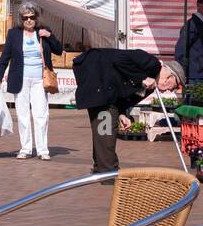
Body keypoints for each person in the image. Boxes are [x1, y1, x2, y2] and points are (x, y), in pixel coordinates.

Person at [72, 44, 178, 174]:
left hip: (107, 87)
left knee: (103, 127)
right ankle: (107, 171)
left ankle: (102, 167)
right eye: (174, 86)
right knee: (105, 127)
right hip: (97, 74)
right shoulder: (152, 64)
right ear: (169, 76)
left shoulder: (151, 86)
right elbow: (120, 59)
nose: (170, 90)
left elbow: (125, 97)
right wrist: (142, 78)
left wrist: (122, 113)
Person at [0, 2, 63, 160]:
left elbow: (59, 50)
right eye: (26, 18)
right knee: (23, 115)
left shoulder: (44, 32)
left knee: (41, 115)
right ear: (21, 19)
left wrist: (49, 36)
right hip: (21, 79)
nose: (29, 20)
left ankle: (43, 150)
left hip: (40, 80)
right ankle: (25, 148)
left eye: (32, 17)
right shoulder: (14, 34)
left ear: (37, 18)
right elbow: (4, 58)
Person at [173, 0, 203, 84]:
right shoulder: (193, 24)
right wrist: (183, 70)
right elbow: (180, 48)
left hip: (202, 72)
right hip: (194, 74)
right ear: (198, 5)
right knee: (194, 97)